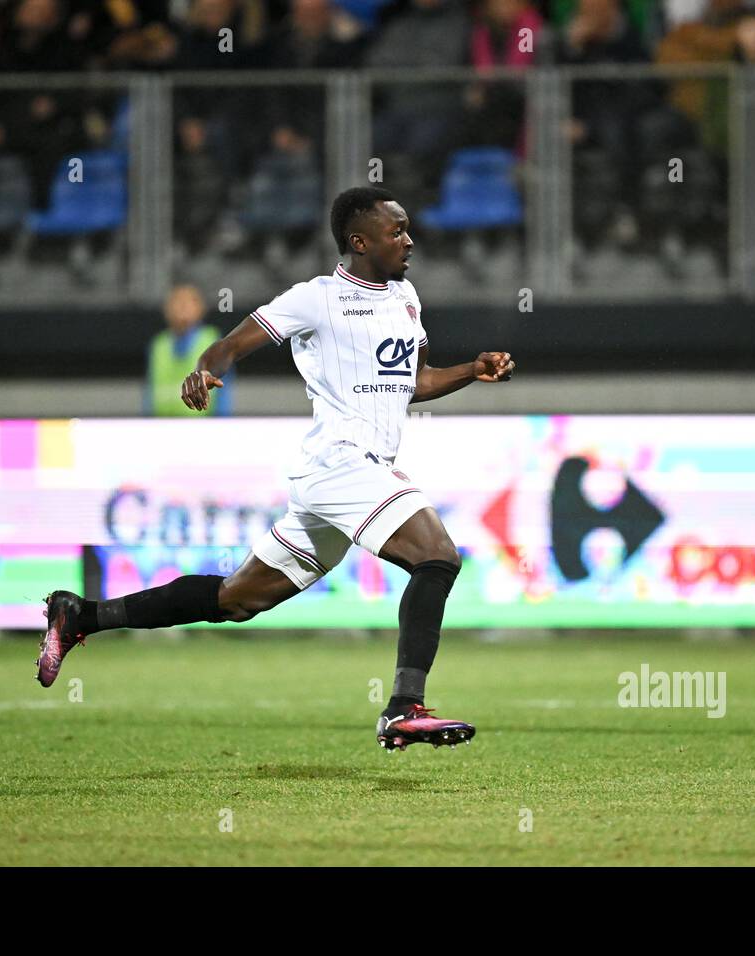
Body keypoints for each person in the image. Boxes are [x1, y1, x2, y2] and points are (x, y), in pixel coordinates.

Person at [37, 187, 515, 751]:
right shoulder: (316, 299)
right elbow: (232, 345)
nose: (409, 240)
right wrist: (204, 369)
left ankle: (82, 615)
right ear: (360, 242)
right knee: (436, 556)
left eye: (407, 229)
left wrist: (472, 369)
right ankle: (403, 708)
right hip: (341, 462)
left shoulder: (406, 297)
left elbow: (415, 383)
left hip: (348, 477)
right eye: (397, 231)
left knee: (238, 599)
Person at [147, 284, 230, 416]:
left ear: (201, 308)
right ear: (166, 309)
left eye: (190, 301)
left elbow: (224, 396)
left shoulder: (212, 340)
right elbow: (150, 393)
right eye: (177, 300)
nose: (183, 306)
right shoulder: (159, 345)